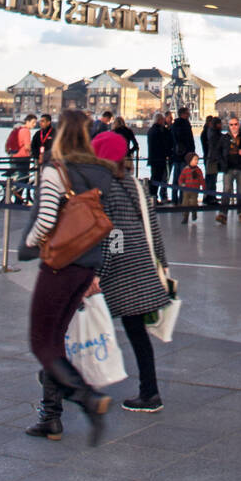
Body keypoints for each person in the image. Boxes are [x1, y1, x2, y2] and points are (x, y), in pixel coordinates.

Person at [22, 110, 114, 445]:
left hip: (59, 264)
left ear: (60, 135)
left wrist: (30, 243)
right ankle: (51, 416)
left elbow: (47, 218)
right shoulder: (102, 171)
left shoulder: (55, 169)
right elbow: (107, 223)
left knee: (41, 341)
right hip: (86, 265)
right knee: (55, 339)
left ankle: (85, 398)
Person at [94, 130, 171, 414]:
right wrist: (162, 262)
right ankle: (149, 391)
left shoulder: (106, 188)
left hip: (120, 270)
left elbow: (112, 234)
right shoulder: (136, 184)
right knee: (135, 331)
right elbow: (153, 226)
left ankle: (64, 379)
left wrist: (99, 271)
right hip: (142, 264)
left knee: (88, 321)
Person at [217, 117, 241, 225]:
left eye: (236, 124)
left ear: (239, 125)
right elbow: (217, 151)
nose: (233, 127)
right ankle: (223, 214)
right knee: (226, 190)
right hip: (228, 168)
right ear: (229, 126)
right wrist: (222, 164)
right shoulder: (224, 138)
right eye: (231, 124)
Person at [169, 106, 195, 205]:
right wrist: (191, 152)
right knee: (183, 179)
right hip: (185, 156)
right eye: (187, 113)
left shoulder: (174, 125)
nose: (189, 115)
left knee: (176, 178)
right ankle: (182, 199)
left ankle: (175, 199)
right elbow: (189, 141)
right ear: (183, 114)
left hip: (176, 155)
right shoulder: (185, 125)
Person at [7, 114, 35, 201]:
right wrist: (33, 153)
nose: (34, 125)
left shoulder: (18, 129)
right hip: (23, 158)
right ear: (27, 122)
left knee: (18, 177)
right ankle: (18, 200)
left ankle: (11, 196)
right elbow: (27, 147)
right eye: (33, 122)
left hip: (14, 156)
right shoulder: (26, 131)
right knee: (23, 179)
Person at [147, 113, 172, 201]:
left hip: (153, 158)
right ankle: (154, 197)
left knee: (155, 177)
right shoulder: (160, 131)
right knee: (157, 178)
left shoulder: (151, 130)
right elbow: (166, 142)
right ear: (160, 120)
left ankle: (152, 196)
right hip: (160, 158)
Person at [178, 152, 204, 224]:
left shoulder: (198, 170)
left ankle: (194, 212)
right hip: (186, 190)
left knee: (194, 202)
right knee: (185, 203)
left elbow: (201, 179)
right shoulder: (185, 170)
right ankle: (185, 217)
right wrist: (182, 184)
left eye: (197, 160)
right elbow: (181, 178)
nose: (197, 161)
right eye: (195, 159)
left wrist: (203, 186)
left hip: (195, 190)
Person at [200, 115, 218, 205]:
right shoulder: (208, 133)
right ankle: (209, 197)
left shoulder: (205, 132)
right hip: (210, 158)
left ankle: (209, 196)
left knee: (211, 178)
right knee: (211, 178)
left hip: (208, 157)